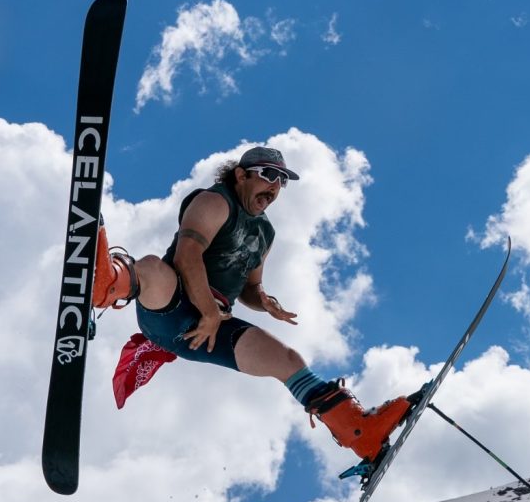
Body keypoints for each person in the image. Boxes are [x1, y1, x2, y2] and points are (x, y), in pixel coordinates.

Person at [95, 145, 413, 469]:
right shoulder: (215, 201)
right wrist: (206, 312)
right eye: (268, 175)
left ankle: (362, 434)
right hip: (174, 306)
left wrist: (265, 301)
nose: (275, 186)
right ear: (241, 175)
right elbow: (186, 255)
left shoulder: (265, 232)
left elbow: (249, 287)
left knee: (288, 359)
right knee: (151, 268)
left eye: (282, 181)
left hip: (210, 326)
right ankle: (105, 284)